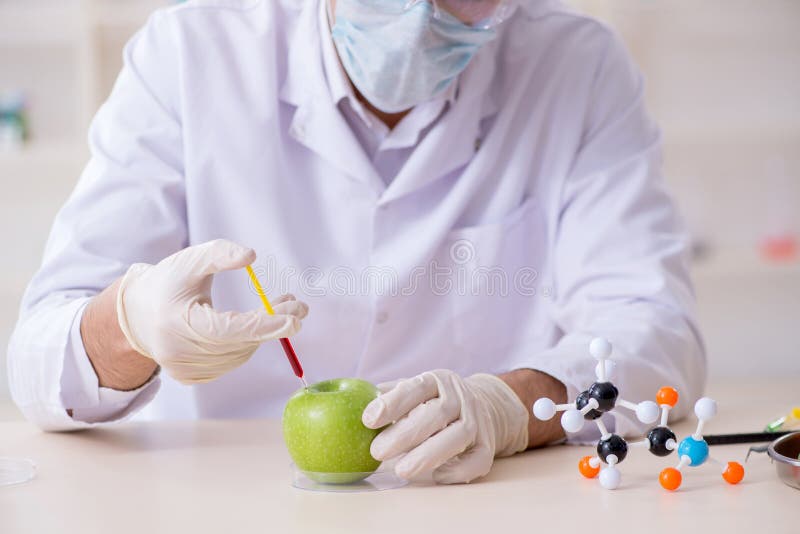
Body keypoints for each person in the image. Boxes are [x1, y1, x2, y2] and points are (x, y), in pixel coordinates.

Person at [7, 0, 705, 484]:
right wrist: (128, 327)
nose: (418, 14)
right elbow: (38, 369)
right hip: (217, 501)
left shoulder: (577, 66)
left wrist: (512, 406)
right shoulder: (189, 55)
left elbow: (653, 325)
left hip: (480, 500)